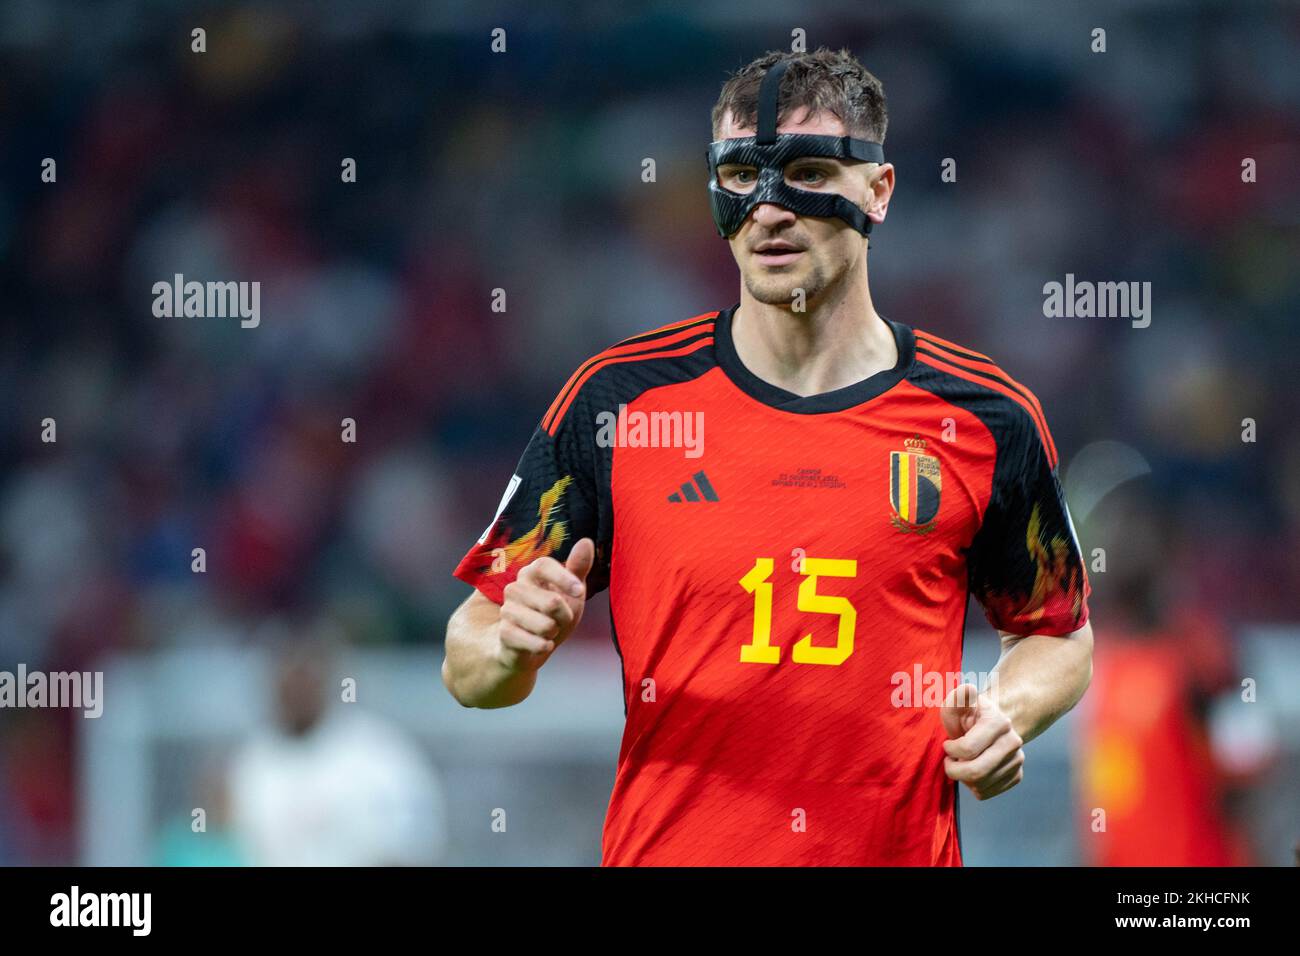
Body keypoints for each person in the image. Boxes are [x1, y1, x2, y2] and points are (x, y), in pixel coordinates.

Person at [444, 47, 1093, 865]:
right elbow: (468, 665)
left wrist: (1006, 710)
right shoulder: (617, 402)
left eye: (810, 172)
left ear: (879, 190)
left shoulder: (985, 419)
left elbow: (1058, 633)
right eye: (741, 175)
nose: (770, 208)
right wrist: (510, 647)